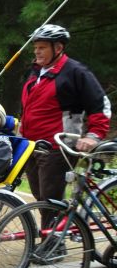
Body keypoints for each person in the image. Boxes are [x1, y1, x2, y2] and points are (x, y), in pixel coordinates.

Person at [19, 24, 111, 203]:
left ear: (58, 48)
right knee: (40, 198)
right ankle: (60, 229)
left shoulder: (75, 72)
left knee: (50, 201)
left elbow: (101, 103)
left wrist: (94, 135)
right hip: (31, 144)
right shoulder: (36, 71)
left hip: (57, 147)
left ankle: (53, 231)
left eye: (42, 47)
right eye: (35, 47)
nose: (37, 52)